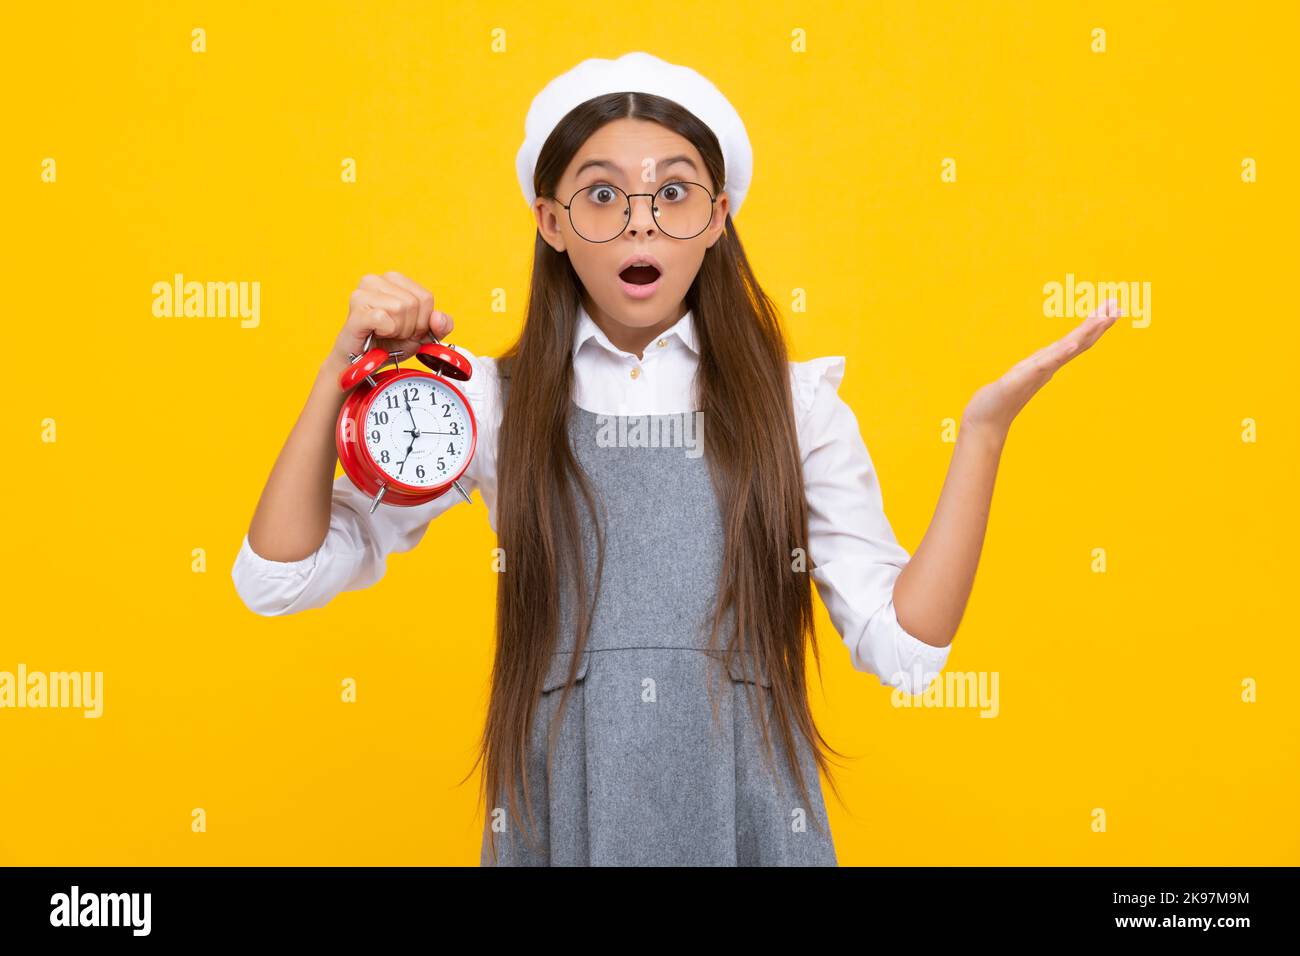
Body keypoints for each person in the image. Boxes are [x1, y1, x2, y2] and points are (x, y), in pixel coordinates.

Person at [231, 51, 1120, 866]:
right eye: (603, 195)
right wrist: (338, 374)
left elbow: (903, 648)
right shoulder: (490, 405)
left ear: (718, 216)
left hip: (750, 820)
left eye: (676, 193)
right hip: (563, 816)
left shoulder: (795, 405)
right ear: (551, 221)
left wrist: (983, 434)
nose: (641, 224)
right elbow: (277, 578)